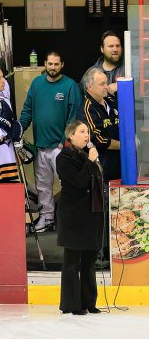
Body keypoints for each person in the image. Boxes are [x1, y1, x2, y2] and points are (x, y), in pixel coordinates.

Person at [20, 51, 83, 231]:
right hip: (40, 146)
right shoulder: (37, 83)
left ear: (62, 64)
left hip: (60, 147)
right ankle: (47, 219)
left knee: (68, 185)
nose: (53, 67)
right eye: (50, 64)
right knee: (43, 186)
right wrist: (19, 130)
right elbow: (27, 111)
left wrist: (64, 142)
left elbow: (74, 118)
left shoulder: (70, 86)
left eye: (56, 64)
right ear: (45, 64)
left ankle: (71, 221)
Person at [56, 119, 105, 315]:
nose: (87, 135)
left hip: (91, 213)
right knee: (72, 261)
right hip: (74, 216)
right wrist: (91, 161)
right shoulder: (63, 158)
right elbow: (78, 181)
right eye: (82, 131)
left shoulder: (87, 155)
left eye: (88, 132)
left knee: (89, 261)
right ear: (71, 135)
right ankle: (71, 304)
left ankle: (88, 302)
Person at [82, 67, 120, 182]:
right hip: (103, 168)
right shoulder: (87, 108)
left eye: (106, 83)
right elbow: (97, 139)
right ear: (90, 86)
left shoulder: (111, 101)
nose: (106, 87)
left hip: (121, 164)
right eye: (102, 84)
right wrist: (125, 145)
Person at [92, 30, 123, 101]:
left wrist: (121, 86)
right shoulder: (92, 73)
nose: (115, 49)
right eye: (111, 46)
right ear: (102, 49)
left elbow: (141, 87)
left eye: (118, 46)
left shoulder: (131, 66)